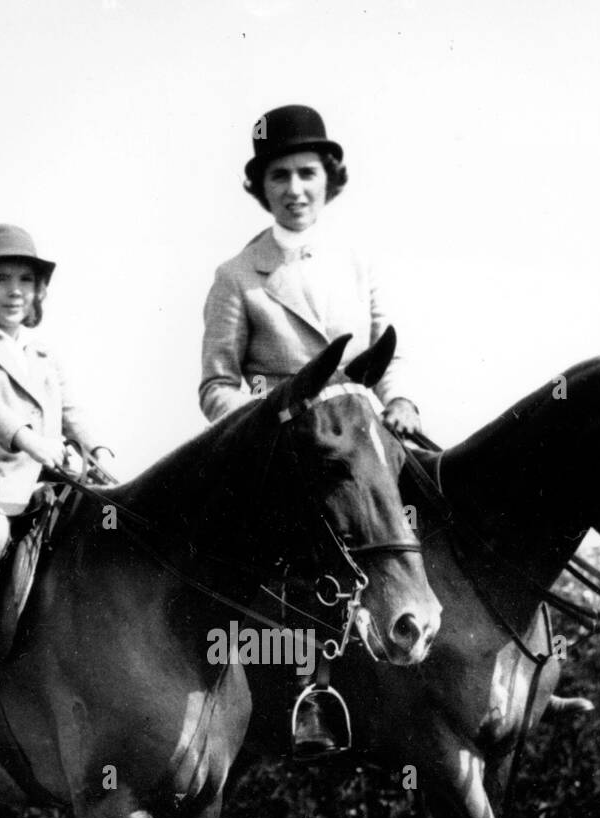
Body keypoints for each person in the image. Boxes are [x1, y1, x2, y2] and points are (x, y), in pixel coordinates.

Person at [200, 105, 424, 753]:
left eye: (306, 174)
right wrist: (260, 424)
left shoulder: (358, 261)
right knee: (308, 545)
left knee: (432, 497)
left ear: (328, 180)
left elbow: (391, 349)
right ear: (261, 188)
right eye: (279, 178)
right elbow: (215, 384)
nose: (295, 190)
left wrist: (401, 398)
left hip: (363, 435)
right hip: (289, 447)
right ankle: (314, 689)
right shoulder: (238, 278)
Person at [0, 224, 113, 690]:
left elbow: (71, 410)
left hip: (48, 488)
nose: (15, 291)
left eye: (25, 280)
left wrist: (99, 451)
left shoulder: (43, 354)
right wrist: (33, 441)